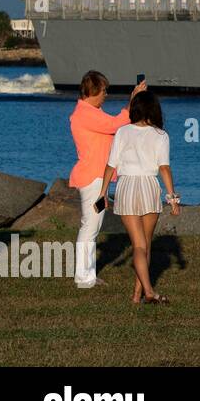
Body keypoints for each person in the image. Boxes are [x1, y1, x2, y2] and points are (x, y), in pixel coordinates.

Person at [69, 71, 146, 289]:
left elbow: (115, 126)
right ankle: (84, 277)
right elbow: (115, 125)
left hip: (97, 178)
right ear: (93, 91)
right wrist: (132, 100)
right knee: (90, 227)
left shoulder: (92, 112)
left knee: (92, 226)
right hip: (92, 178)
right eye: (104, 90)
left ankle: (87, 275)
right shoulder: (84, 114)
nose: (106, 94)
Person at [103, 90, 179, 304]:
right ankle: (147, 292)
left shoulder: (122, 132)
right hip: (148, 186)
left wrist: (103, 194)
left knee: (138, 246)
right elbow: (164, 168)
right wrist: (172, 197)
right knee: (145, 245)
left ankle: (138, 294)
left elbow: (111, 166)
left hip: (126, 186)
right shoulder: (161, 135)